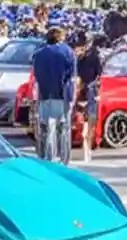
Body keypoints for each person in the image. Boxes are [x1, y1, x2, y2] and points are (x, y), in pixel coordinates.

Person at [32, 26, 76, 164]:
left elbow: (36, 75)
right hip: (62, 93)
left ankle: (48, 157)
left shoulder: (38, 54)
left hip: (45, 93)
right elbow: (72, 76)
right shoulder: (68, 52)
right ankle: (64, 160)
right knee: (63, 128)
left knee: (47, 127)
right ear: (61, 37)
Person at [75, 34, 105, 163]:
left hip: (90, 90)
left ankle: (87, 150)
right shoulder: (79, 59)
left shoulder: (93, 57)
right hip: (83, 90)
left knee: (90, 120)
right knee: (85, 121)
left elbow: (99, 74)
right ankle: (86, 148)